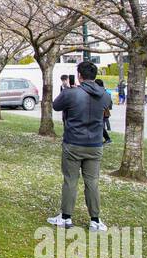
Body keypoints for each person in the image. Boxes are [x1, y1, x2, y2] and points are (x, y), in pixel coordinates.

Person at [47, 59, 110, 231]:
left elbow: (56, 105)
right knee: (92, 182)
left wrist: (68, 91)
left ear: (79, 76)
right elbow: (107, 107)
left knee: (70, 180)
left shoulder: (72, 93)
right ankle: (95, 219)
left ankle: (66, 217)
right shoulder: (104, 94)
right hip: (95, 144)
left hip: (74, 143)